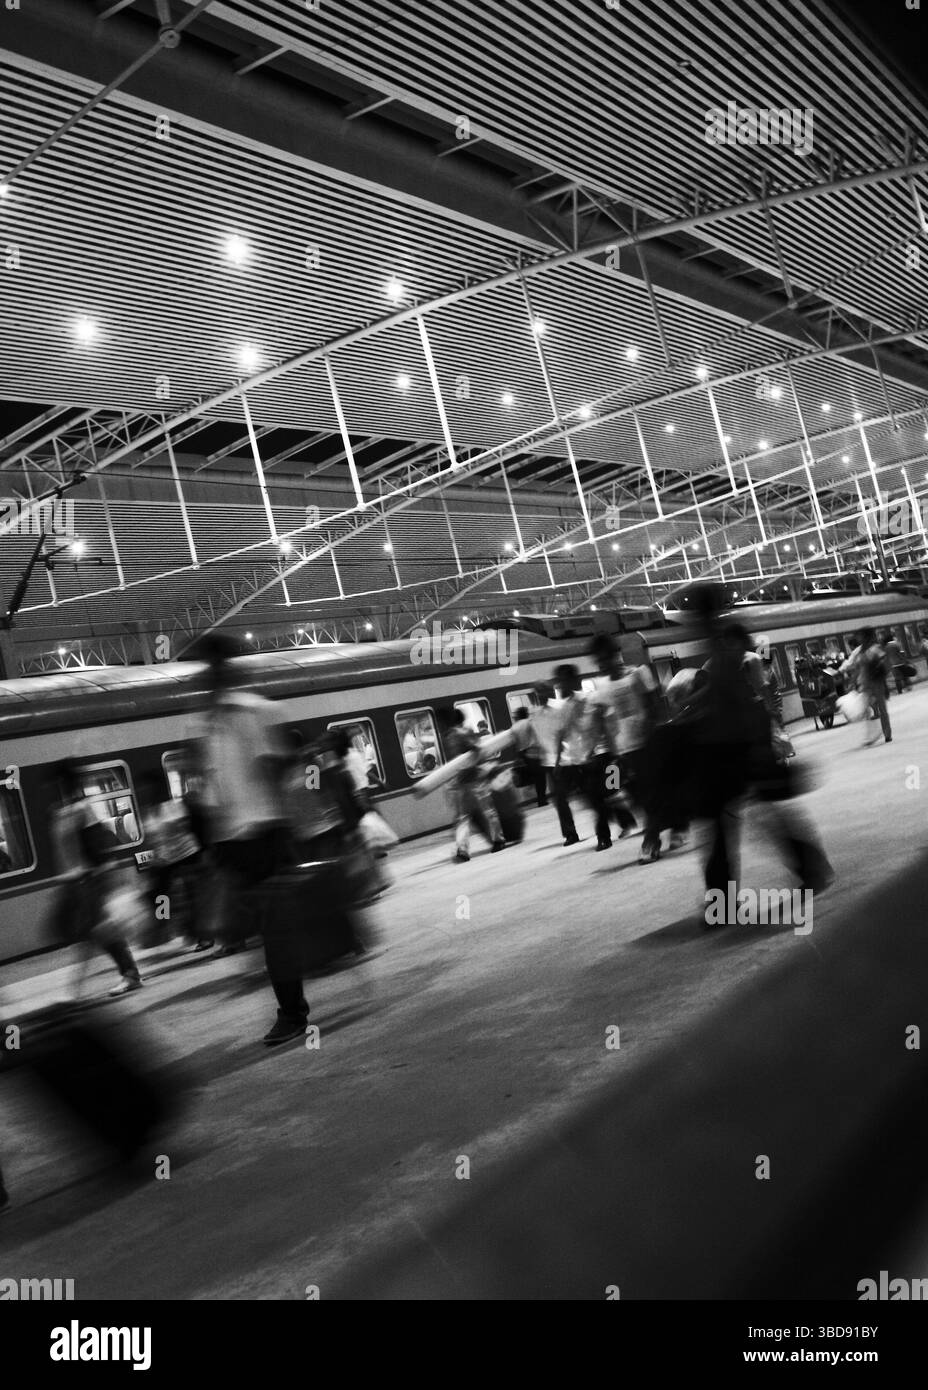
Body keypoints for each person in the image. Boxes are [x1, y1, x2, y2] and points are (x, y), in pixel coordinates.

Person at [192, 634, 299, 1044]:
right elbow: (209, 786)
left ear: (231, 668)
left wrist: (284, 832)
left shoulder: (257, 712)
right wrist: (213, 845)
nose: (209, 674)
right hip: (230, 842)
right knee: (247, 931)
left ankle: (292, 1013)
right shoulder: (204, 724)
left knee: (275, 933)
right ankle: (291, 999)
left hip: (264, 834)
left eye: (216, 665)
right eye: (206, 667)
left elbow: (277, 772)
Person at [47, 759, 143, 998]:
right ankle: (126, 974)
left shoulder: (84, 809)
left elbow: (96, 845)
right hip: (75, 882)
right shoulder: (59, 812)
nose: (60, 787)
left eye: (63, 782)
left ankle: (80, 988)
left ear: (71, 782)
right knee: (94, 932)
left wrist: (101, 878)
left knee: (96, 932)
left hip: (91, 879)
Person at [586, 636, 659, 861]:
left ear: (615, 654)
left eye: (604, 658)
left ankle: (651, 840)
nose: (601, 663)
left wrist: (650, 735)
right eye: (598, 660)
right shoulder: (601, 685)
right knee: (627, 796)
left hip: (644, 746)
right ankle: (658, 830)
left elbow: (654, 706)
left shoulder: (638, 674)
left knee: (647, 796)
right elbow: (605, 721)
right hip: (620, 752)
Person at [138, 772, 212, 952]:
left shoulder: (174, 807)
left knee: (193, 896)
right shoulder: (148, 812)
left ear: (158, 789)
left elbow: (190, 829)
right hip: (165, 861)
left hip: (186, 855)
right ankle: (165, 927)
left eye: (148, 789)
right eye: (143, 790)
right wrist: (153, 863)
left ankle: (204, 936)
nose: (145, 793)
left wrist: (203, 853)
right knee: (160, 896)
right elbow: (153, 841)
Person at [441, 707, 506, 862]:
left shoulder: (450, 736)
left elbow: (474, 750)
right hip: (475, 779)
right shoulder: (463, 733)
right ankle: (498, 839)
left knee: (463, 817)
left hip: (463, 782)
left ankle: (463, 849)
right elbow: (478, 750)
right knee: (488, 811)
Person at [531, 683, 574, 838]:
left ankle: (625, 820)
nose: (540, 695)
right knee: (560, 799)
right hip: (550, 763)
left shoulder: (561, 708)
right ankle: (570, 834)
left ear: (551, 692)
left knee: (596, 793)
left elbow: (567, 734)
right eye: (537, 692)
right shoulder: (535, 714)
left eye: (542, 691)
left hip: (568, 759)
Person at [844, 627, 892, 746]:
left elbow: (885, 664)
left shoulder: (875, 649)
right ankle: (872, 733)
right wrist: (851, 682)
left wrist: (883, 676)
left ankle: (887, 733)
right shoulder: (860, 651)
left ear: (866, 636)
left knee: (882, 709)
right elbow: (857, 669)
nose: (858, 638)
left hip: (877, 682)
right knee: (865, 710)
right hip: (865, 685)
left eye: (860, 635)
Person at [511, 707, 548, 807]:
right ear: (526, 714)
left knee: (535, 778)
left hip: (524, 755)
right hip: (534, 753)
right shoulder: (529, 722)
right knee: (541, 778)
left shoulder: (514, 727)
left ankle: (540, 799)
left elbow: (516, 744)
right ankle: (542, 800)